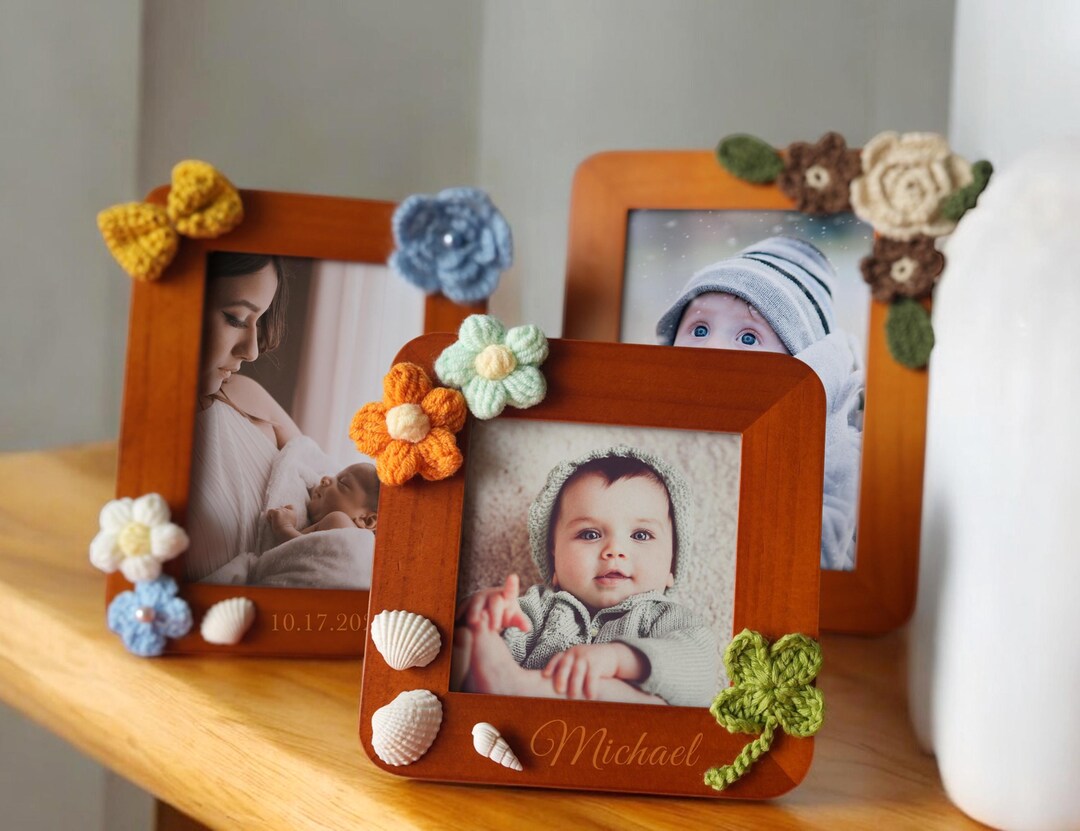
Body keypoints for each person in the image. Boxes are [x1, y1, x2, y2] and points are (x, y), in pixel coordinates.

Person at [655, 235, 864, 571]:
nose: (713, 350)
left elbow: (827, 557)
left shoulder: (830, 460)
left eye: (748, 337)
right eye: (699, 329)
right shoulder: (652, 428)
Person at [455, 446, 717, 707]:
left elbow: (702, 671)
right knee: (467, 642)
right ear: (554, 559)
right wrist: (488, 615)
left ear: (672, 563)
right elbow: (488, 648)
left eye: (641, 535)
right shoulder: (536, 610)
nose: (614, 551)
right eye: (590, 534)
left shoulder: (666, 619)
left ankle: (516, 685)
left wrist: (619, 659)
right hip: (532, 730)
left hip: (630, 739)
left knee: (641, 700)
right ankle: (506, 683)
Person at [184, 253, 302, 581]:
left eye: (259, 320)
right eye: (236, 318)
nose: (251, 350)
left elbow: (352, 502)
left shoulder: (247, 395)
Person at [267, 462, 380, 542]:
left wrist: (284, 527)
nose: (325, 478)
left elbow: (301, 550)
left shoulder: (340, 522)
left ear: (367, 520)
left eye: (342, 483)